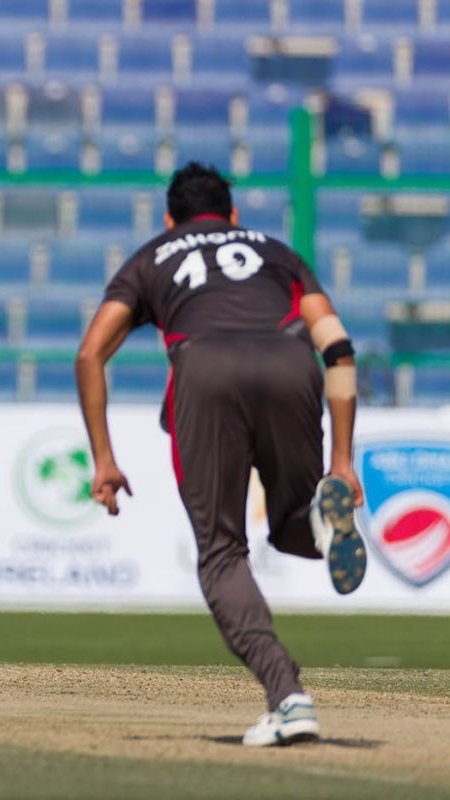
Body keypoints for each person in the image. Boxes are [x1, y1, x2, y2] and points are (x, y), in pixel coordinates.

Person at [74, 162, 368, 746]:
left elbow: (90, 354)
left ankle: (287, 696)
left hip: (206, 370)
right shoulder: (276, 252)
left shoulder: (151, 257)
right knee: (293, 530)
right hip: (290, 365)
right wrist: (341, 460)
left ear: (169, 220)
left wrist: (104, 457)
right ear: (233, 216)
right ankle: (321, 520)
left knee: (221, 550)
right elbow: (338, 349)